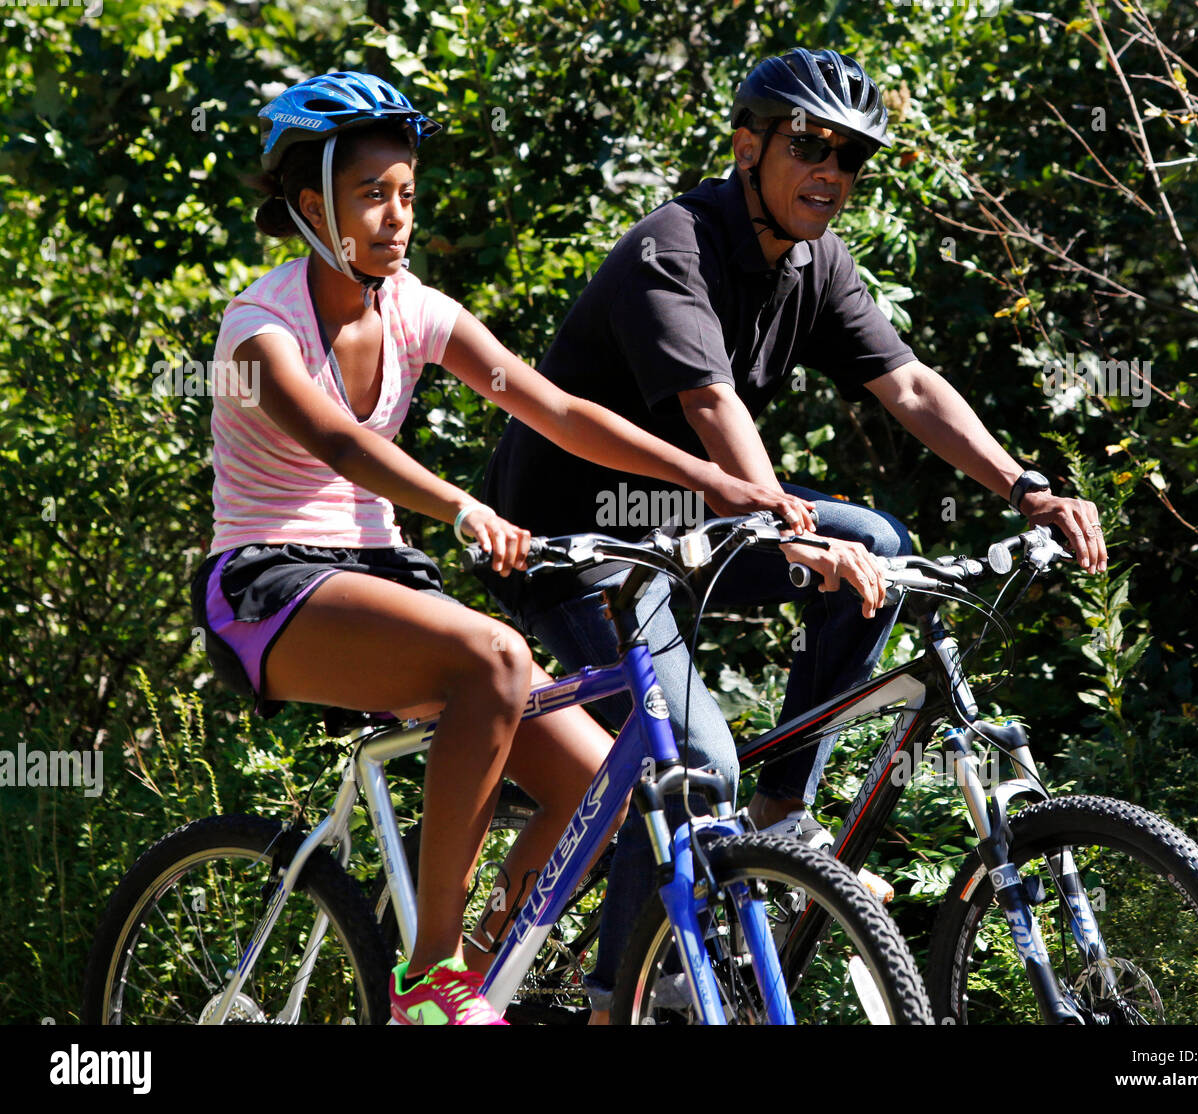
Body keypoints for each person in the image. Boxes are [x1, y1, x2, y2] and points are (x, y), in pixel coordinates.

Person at [477, 47, 1109, 1021]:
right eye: (811, 145)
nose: (833, 171)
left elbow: (904, 386)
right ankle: (618, 998)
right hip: (572, 542)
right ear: (746, 145)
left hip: (687, 523)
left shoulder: (815, 262)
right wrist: (786, 529)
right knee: (684, 753)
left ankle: (782, 812)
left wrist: (1025, 487)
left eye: (852, 156)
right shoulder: (673, 247)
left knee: (883, 546)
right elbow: (707, 401)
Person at [188, 70, 811, 1026]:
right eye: (371, 197)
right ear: (313, 207)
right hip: (267, 586)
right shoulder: (255, 330)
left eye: (405, 193)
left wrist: (718, 482)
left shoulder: (412, 308)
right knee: (496, 652)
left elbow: (556, 409)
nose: (397, 219)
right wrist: (462, 505)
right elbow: (341, 445)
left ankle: (470, 976)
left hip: (382, 580)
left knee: (600, 784)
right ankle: (428, 976)